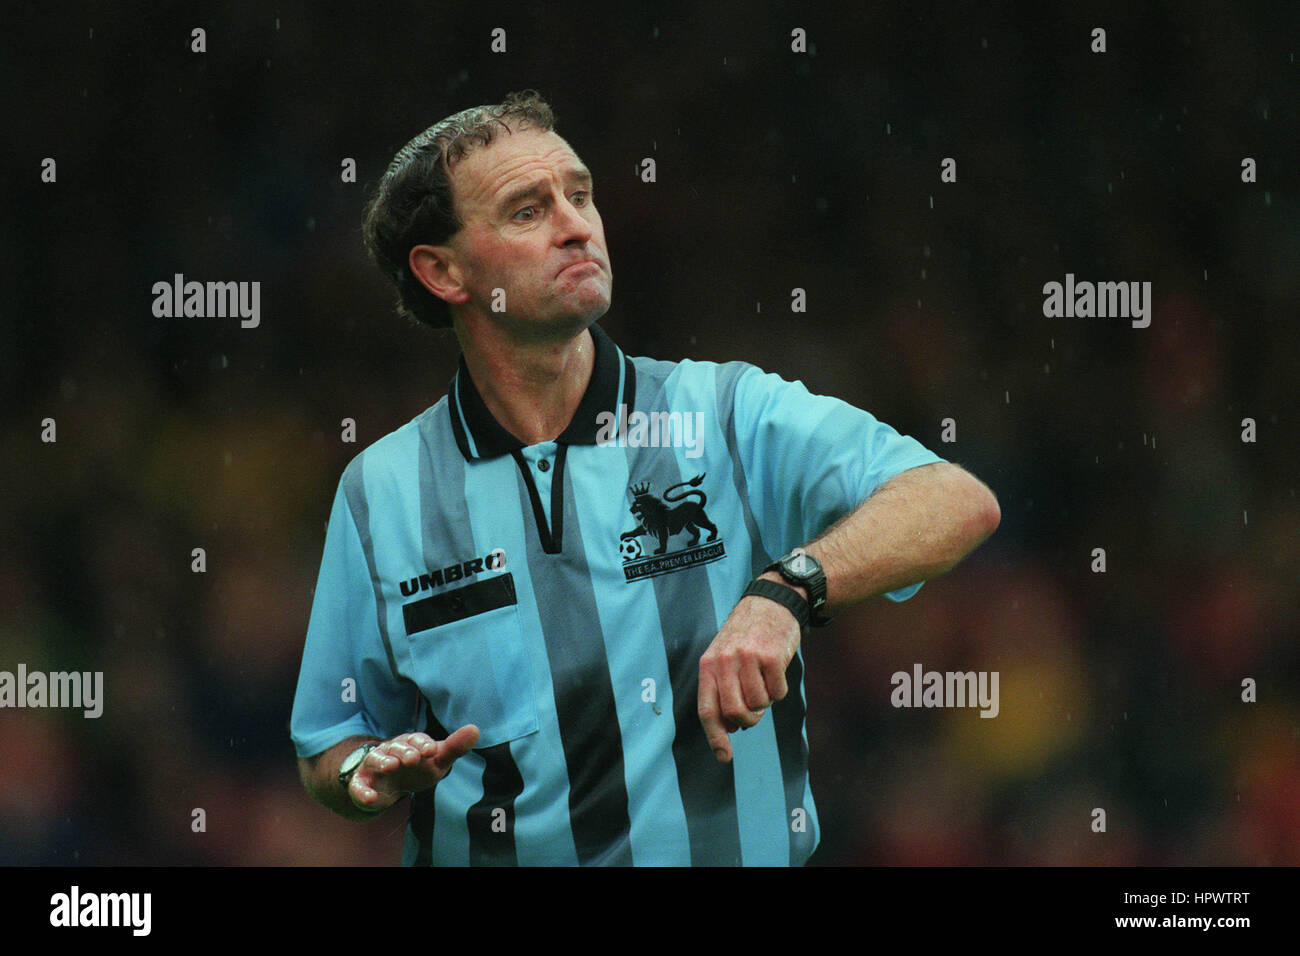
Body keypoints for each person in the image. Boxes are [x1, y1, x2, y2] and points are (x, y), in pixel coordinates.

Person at [289, 90, 1000, 865]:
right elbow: (330, 742)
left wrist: (788, 591)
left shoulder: (723, 411)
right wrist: (366, 771)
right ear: (442, 271)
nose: (576, 225)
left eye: (581, 195)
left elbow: (955, 500)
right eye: (527, 211)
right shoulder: (381, 490)